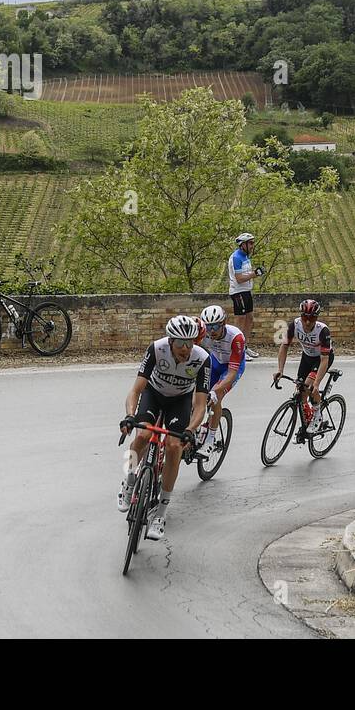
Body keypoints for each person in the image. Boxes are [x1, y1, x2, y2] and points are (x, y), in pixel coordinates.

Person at [117, 315, 210, 541]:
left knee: (174, 446)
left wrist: (191, 429)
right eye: (180, 343)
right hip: (154, 394)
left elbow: (200, 404)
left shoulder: (202, 359)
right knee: (144, 434)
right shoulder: (157, 349)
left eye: (190, 343)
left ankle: (160, 513)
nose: (186, 348)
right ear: (170, 341)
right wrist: (130, 416)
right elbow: (136, 390)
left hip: (180, 401)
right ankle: (129, 480)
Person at [274, 299, 334, 441]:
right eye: (305, 317)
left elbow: (325, 360)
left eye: (312, 318)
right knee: (301, 394)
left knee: (309, 387)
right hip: (307, 357)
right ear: (301, 316)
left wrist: (317, 383)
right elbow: (284, 347)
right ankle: (306, 424)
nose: (307, 322)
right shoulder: (294, 326)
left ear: (317, 317)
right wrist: (280, 370)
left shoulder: (323, 330)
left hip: (321, 359)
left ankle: (318, 415)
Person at [193, 304, 245, 451]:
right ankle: (196, 427)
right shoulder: (203, 333)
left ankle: (210, 439)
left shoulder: (236, 337)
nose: (212, 331)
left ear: (223, 324)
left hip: (232, 367)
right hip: (215, 362)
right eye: (208, 327)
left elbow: (231, 373)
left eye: (215, 326)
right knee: (196, 394)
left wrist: (214, 390)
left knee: (215, 396)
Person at [228, 232, 264, 358]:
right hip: (238, 292)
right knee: (241, 321)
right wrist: (255, 273)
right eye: (250, 243)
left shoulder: (246, 256)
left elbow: (247, 274)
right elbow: (239, 278)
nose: (253, 245)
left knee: (249, 318)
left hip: (246, 291)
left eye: (253, 242)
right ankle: (236, 351)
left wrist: (254, 273)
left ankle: (244, 346)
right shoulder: (237, 257)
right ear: (242, 244)